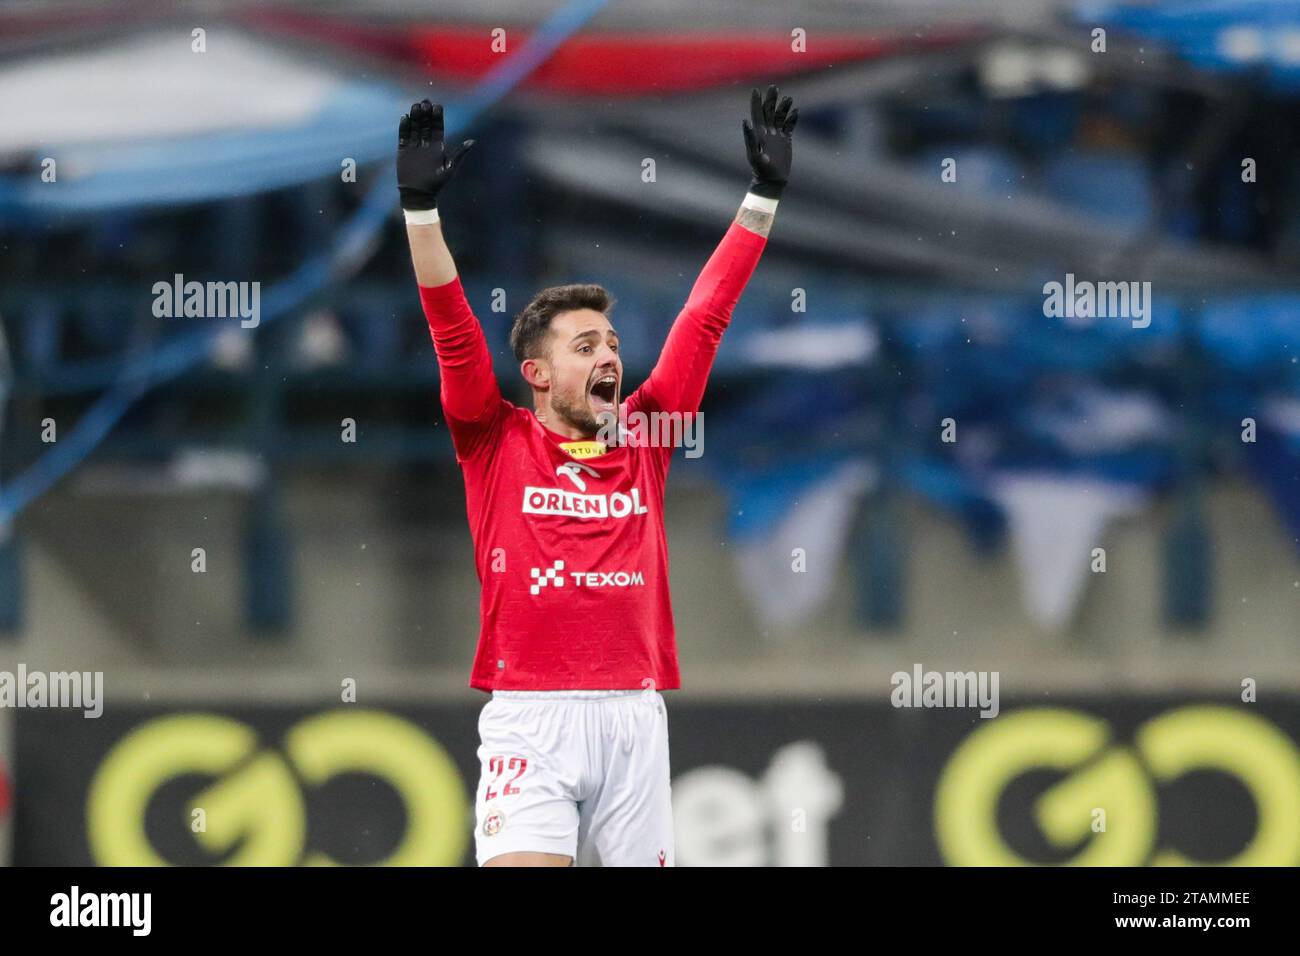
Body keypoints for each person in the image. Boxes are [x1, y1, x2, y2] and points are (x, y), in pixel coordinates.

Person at [399, 86, 797, 866]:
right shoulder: (491, 437)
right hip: (528, 720)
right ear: (537, 374)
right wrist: (420, 210)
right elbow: (450, 329)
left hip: (631, 720)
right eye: (585, 346)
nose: (609, 356)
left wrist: (763, 195)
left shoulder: (646, 437)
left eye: (611, 343)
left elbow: (706, 315)